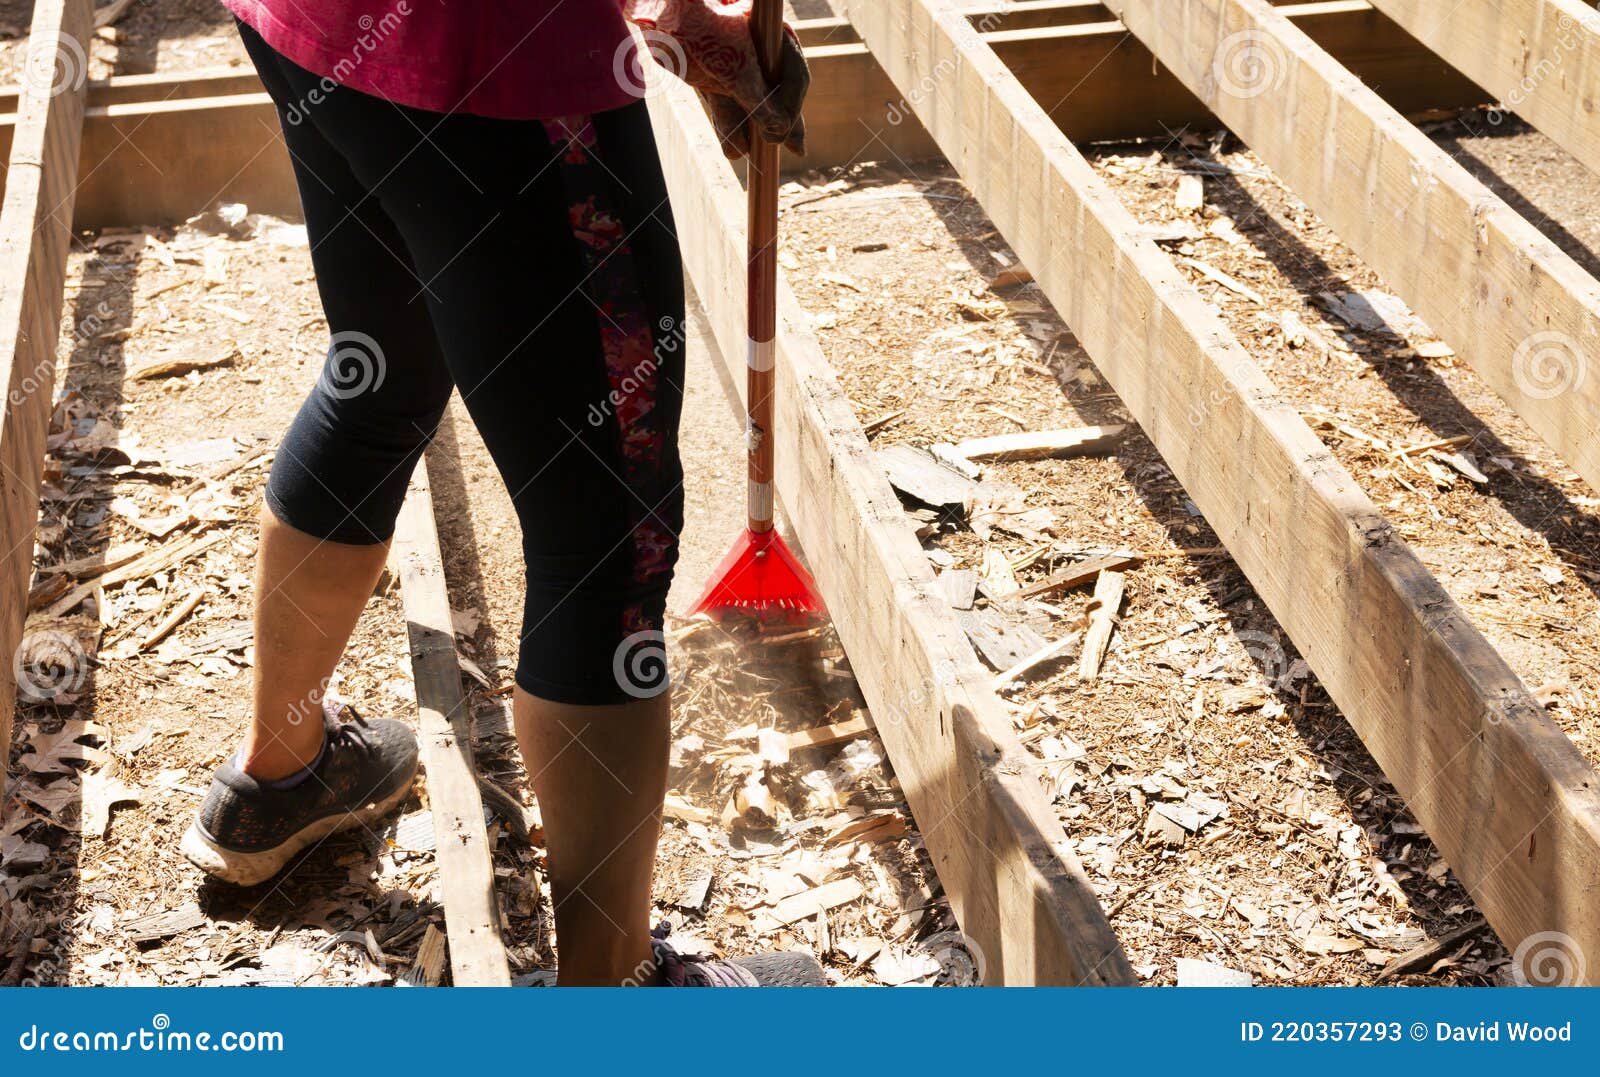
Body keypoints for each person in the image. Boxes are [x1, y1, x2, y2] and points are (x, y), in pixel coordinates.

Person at [180, 0, 816, 987]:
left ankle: (279, 776)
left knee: (379, 375)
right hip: (495, 55)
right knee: (607, 533)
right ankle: (609, 998)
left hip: (318, 26)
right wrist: (680, 16)